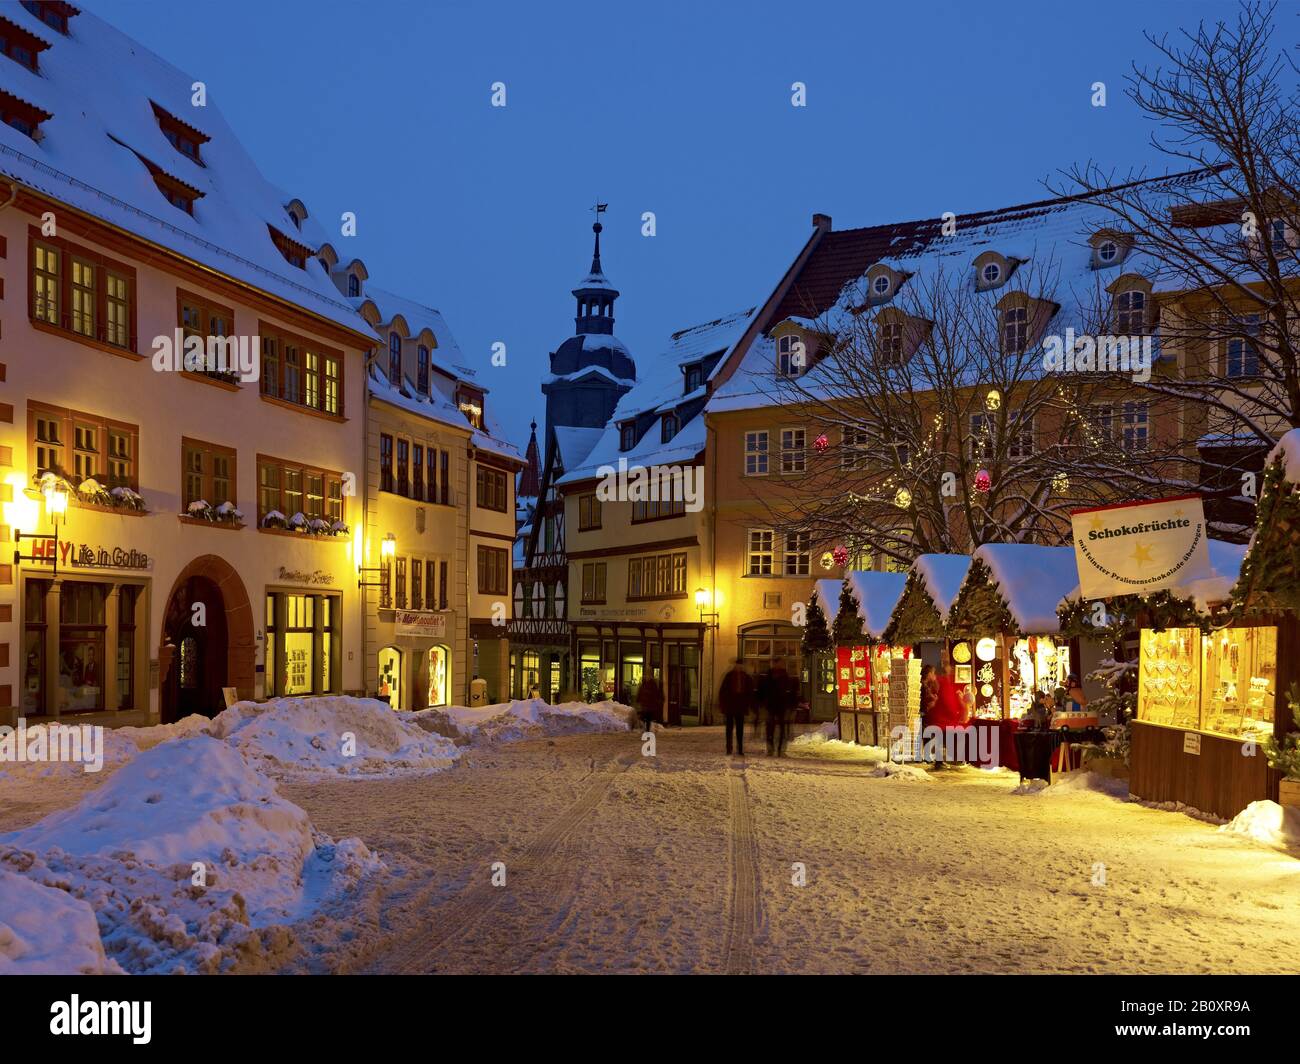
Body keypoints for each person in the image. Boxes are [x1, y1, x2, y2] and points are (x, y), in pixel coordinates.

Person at [760, 657, 796, 757]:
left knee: (782, 730)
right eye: (777, 663)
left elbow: (791, 692)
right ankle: (770, 748)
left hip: (782, 706)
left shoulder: (785, 676)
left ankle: (781, 750)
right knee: (770, 729)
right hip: (771, 706)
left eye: (780, 663)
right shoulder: (768, 676)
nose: (779, 665)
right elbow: (763, 691)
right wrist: (763, 704)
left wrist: (791, 705)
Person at [718, 658, 754, 757]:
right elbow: (723, 692)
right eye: (738, 665)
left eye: (741, 665)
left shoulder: (746, 677)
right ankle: (729, 748)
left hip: (740, 706)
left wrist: (748, 704)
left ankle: (740, 748)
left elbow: (750, 693)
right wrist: (723, 705)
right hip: (730, 706)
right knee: (729, 728)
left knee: (740, 729)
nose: (739, 667)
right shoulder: (729, 676)